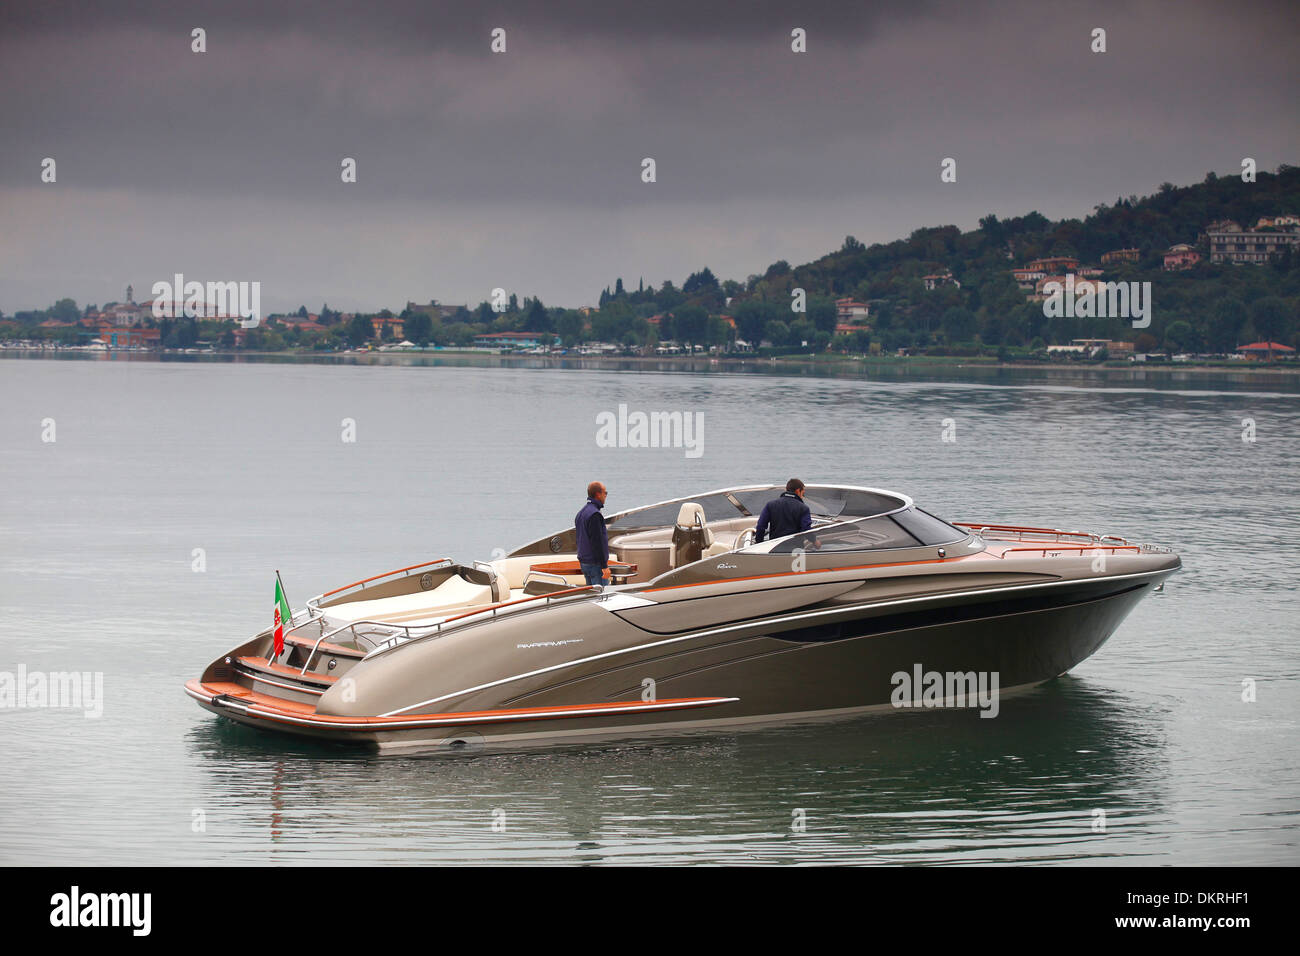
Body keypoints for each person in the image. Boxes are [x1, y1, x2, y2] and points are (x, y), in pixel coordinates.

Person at [575, 481, 611, 587]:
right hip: (595, 564)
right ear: (598, 494)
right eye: (605, 493)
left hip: (584, 562)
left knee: (591, 595)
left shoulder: (581, 513)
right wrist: (604, 566)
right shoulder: (595, 515)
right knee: (602, 597)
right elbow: (597, 542)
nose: (606, 495)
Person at [754, 478, 813, 543]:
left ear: (786, 489)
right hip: (795, 549)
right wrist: (815, 542)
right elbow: (806, 529)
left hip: (774, 547)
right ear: (798, 491)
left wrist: (759, 543)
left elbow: (760, 526)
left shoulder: (770, 505)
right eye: (803, 493)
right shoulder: (803, 508)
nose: (802, 497)